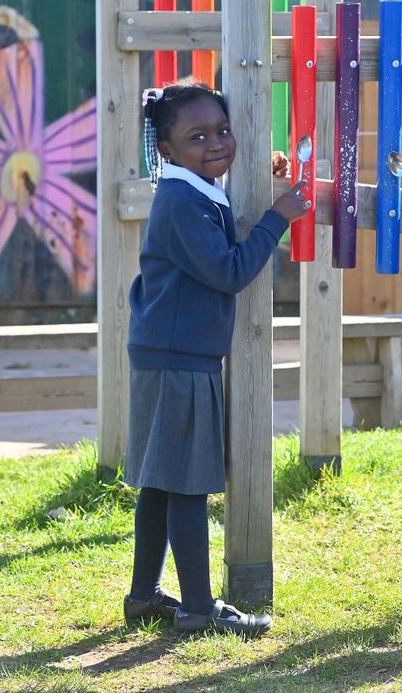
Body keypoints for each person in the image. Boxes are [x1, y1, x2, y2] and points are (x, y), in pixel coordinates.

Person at [122, 78, 309, 636]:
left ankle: (143, 597)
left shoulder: (190, 186)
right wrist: (277, 216)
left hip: (169, 353)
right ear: (167, 148)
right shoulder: (182, 202)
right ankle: (200, 610)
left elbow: (219, 205)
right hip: (181, 361)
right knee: (186, 486)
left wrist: (256, 167)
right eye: (198, 135)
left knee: (160, 481)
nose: (216, 143)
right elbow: (229, 270)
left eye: (224, 131)